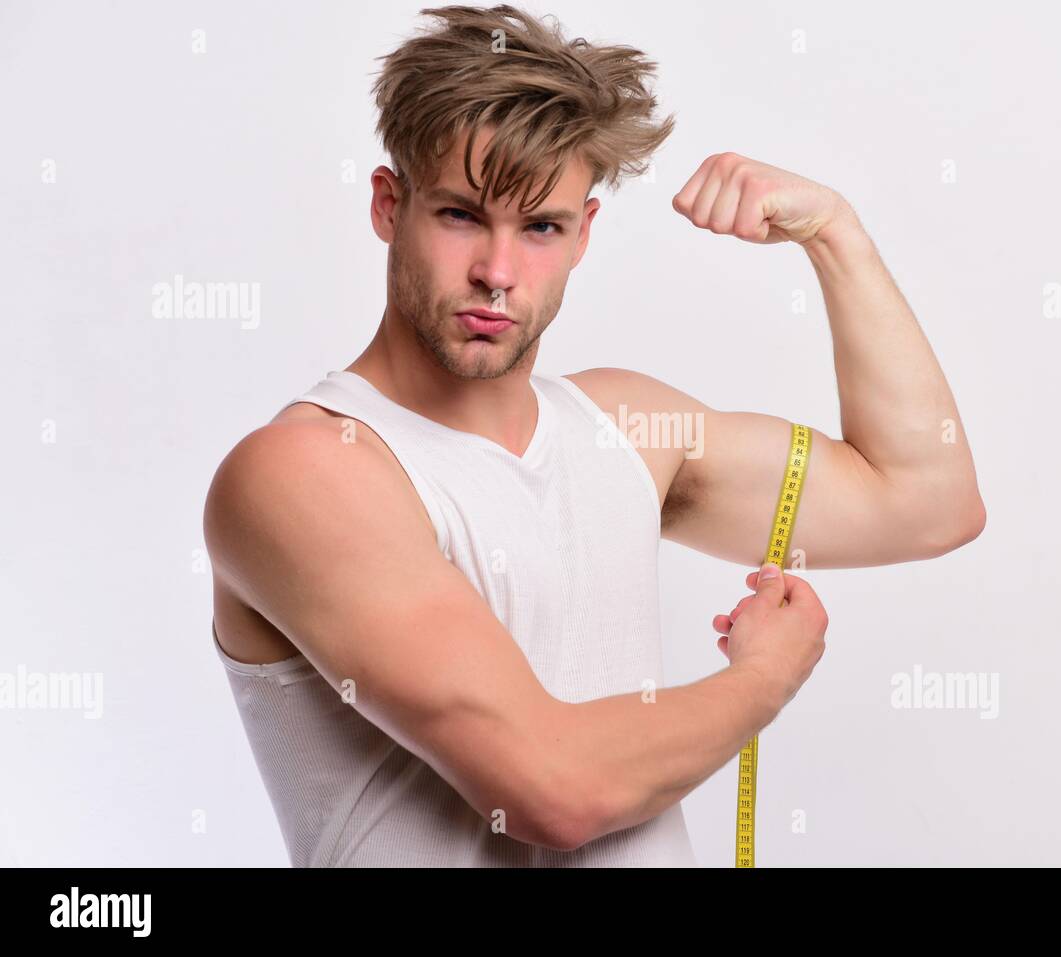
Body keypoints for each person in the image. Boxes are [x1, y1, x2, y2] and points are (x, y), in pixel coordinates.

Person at [202, 4, 984, 867]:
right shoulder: (307, 470)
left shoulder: (625, 431)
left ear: (584, 236)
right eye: (462, 214)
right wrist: (763, 676)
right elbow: (552, 787)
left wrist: (837, 235)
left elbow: (928, 504)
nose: (497, 275)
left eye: (541, 227)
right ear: (391, 205)